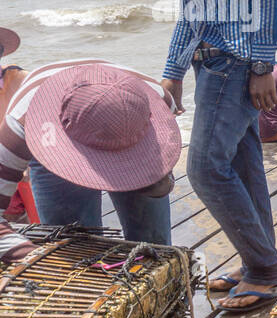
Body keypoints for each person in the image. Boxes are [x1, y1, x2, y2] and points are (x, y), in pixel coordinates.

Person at [102, 0, 277, 313]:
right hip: (209, 62)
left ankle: (266, 269)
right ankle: (258, 262)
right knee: (243, 168)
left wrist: (264, 61)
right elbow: (194, 6)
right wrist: (173, 69)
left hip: (237, 59)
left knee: (204, 170)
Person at [0, 61, 181, 261]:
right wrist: (34, 259)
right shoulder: (21, 123)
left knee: (155, 245)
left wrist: (153, 177)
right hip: (53, 146)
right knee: (75, 248)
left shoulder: (159, 98)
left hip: (132, 130)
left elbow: (165, 160)